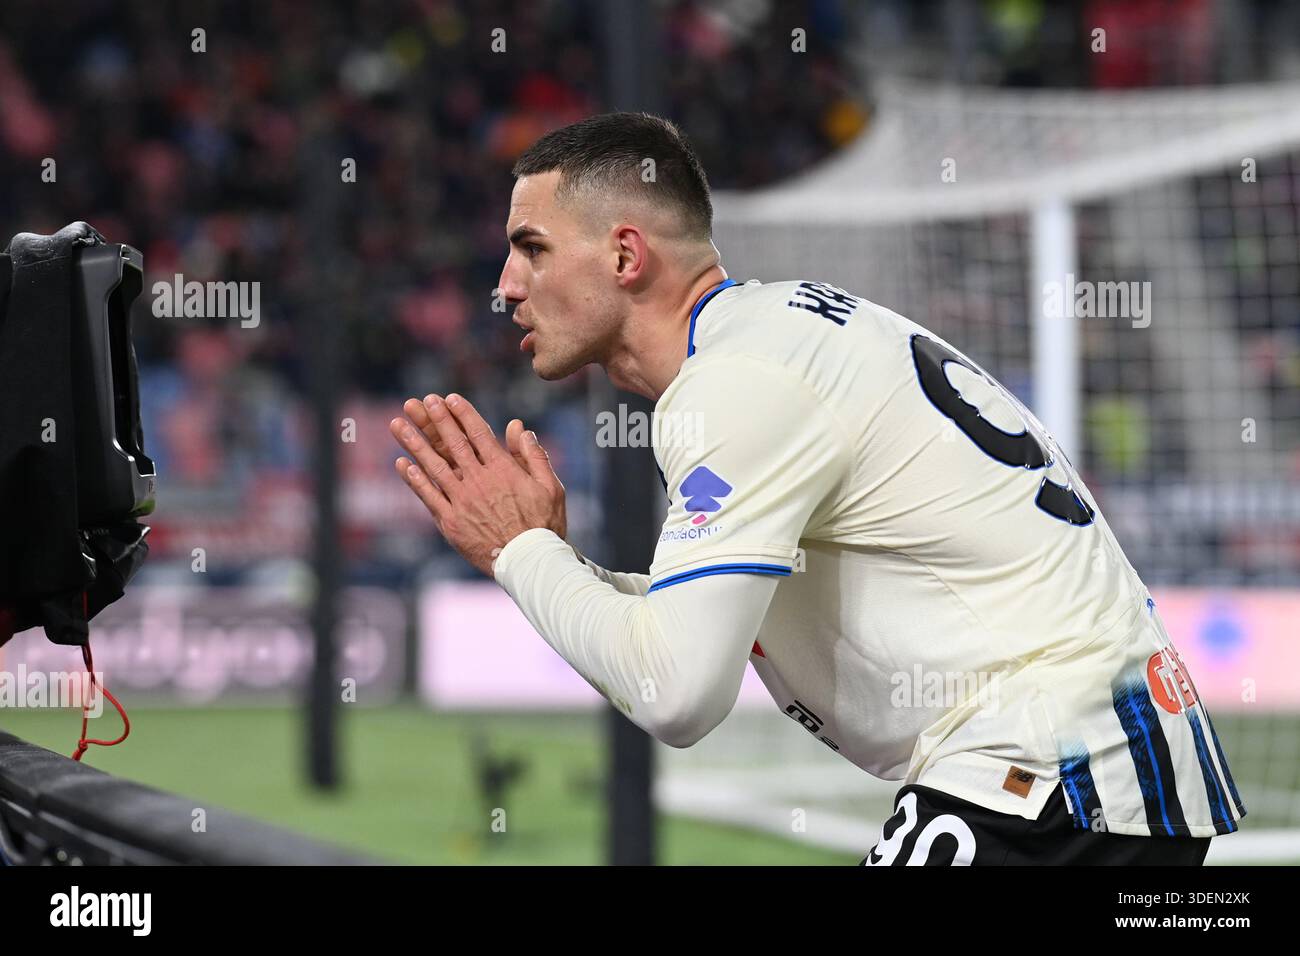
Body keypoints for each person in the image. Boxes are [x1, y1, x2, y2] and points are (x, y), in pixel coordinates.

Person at [389, 112, 1243, 865]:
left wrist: (519, 550)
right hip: (1096, 764)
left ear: (624, 253)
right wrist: (556, 563)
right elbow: (695, 625)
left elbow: (677, 694)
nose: (504, 286)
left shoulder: (736, 386)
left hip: (1052, 771)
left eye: (530, 248)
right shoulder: (772, 343)